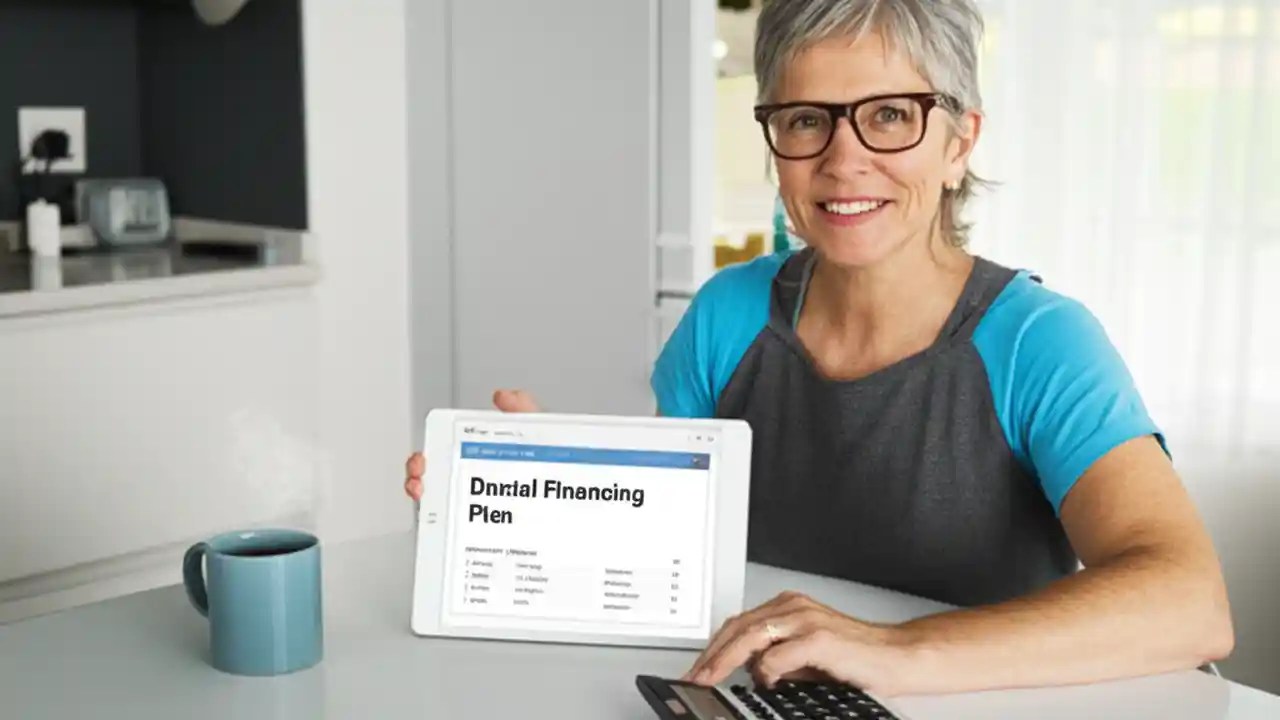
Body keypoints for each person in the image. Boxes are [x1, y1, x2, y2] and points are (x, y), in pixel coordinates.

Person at [405, 0, 1234, 697]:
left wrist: (893, 651)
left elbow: (1191, 604)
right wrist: (537, 501)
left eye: (889, 115)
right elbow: (670, 565)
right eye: (806, 120)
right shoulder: (728, 314)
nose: (844, 160)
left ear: (959, 143)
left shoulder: (1039, 341)